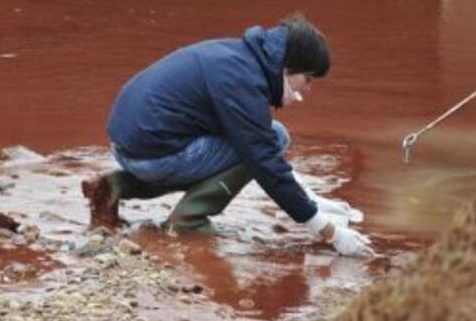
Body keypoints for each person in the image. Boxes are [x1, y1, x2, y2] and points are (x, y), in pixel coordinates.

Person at [82, 14, 373, 257]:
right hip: (153, 156)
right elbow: (266, 163)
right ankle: (188, 220)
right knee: (265, 146)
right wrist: (330, 233)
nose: (308, 89)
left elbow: (262, 148)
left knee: (268, 138)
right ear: (288, 67)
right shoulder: (244, 82)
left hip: (130, 146)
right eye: (308, 80)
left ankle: (114, 185)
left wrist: (312, 200)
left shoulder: (239, 57)